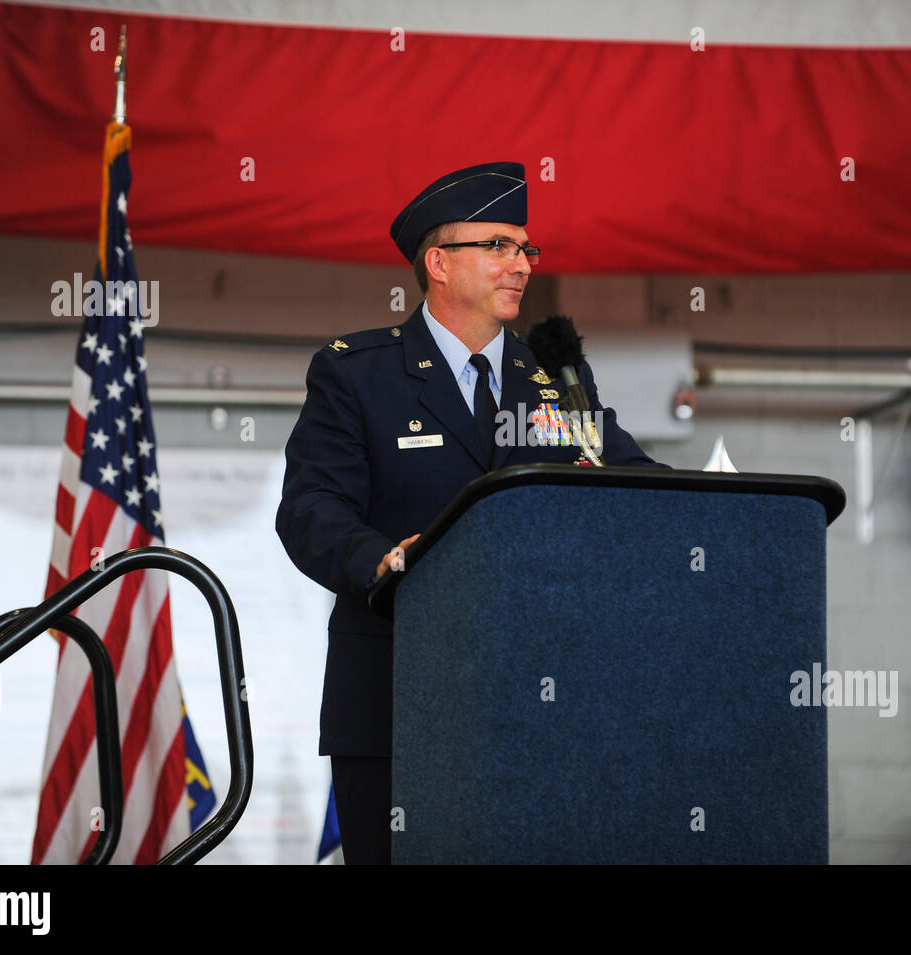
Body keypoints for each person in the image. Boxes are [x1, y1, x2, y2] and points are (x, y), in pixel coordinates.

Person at [275, 161, 666, 864]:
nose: (520, 264)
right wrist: (391, 560)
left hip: (536, 709)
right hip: (396, 702)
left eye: (525, 248)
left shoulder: (557, 382)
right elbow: (310, 510)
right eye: (498, 246)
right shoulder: (357, 373)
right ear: (438, 263)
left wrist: (717, 516)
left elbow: (635, 483)